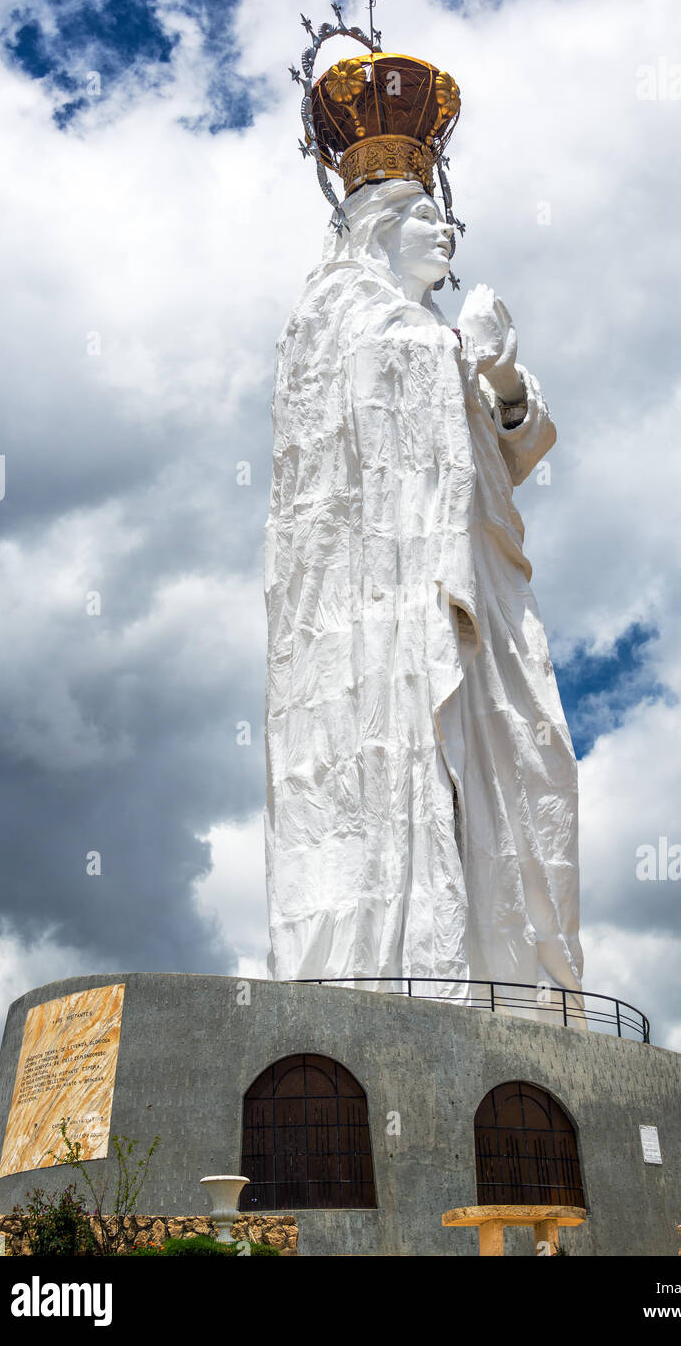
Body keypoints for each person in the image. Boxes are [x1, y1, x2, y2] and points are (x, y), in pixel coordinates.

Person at [264, 177, 583, 1016]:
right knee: (402, 759)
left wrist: (502, 375)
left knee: (527, 753)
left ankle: (512, 991)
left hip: (480, 574)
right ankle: (408, 977)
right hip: (384, 592)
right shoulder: (336, 307)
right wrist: (455, 352)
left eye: (447, 218)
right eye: (424, 218)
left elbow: (512, 446)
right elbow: (358, 390)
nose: (444, 234)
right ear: (378, 229)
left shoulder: (438, 336)